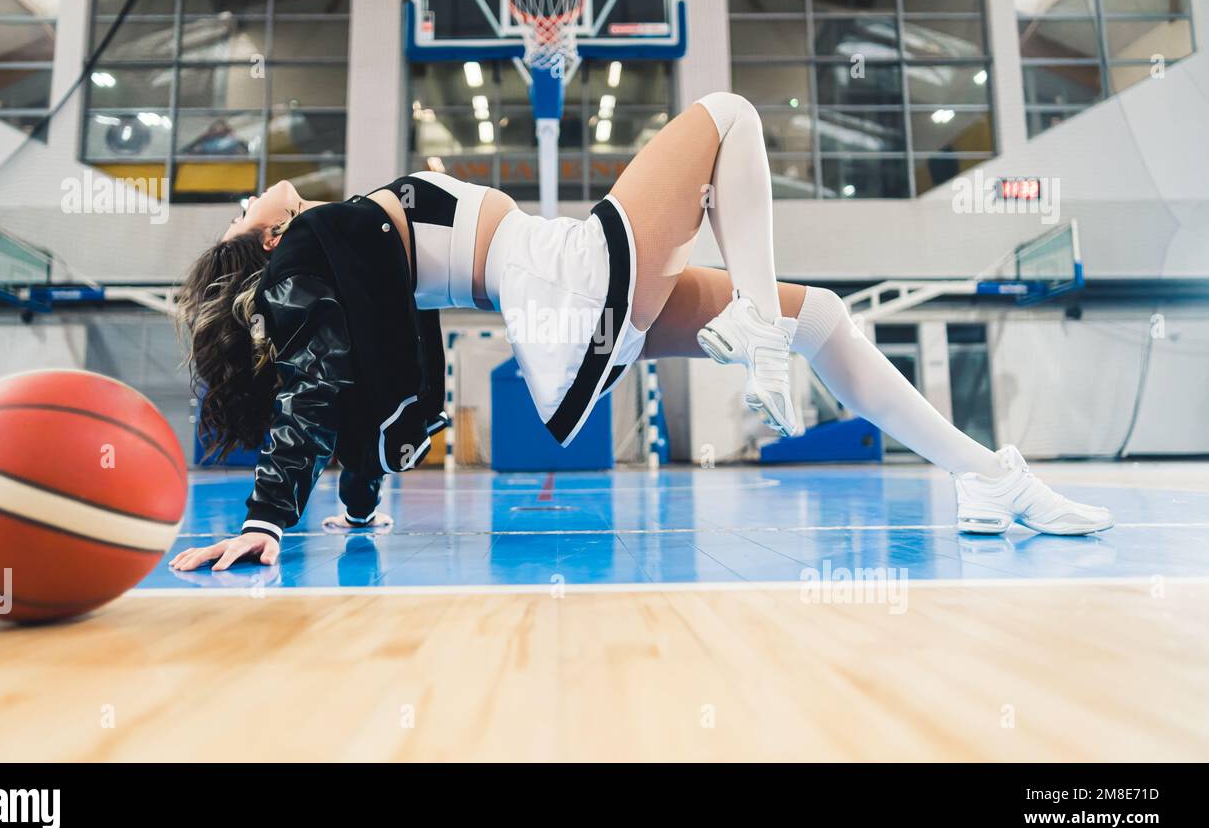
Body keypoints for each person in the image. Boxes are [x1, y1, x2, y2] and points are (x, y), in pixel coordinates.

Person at [171, 92, 1112, 571]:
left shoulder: (338, 258)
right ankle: (756, 331)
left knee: (820, 314)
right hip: (567, 282)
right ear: (260, 244)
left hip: (569, 314)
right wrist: (267, 514)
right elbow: (317, 378)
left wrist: (364, 503)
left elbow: (359, 385)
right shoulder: (303, 256)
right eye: (238, 214)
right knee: (729, 117)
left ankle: (985, 480)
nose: (252, 196)